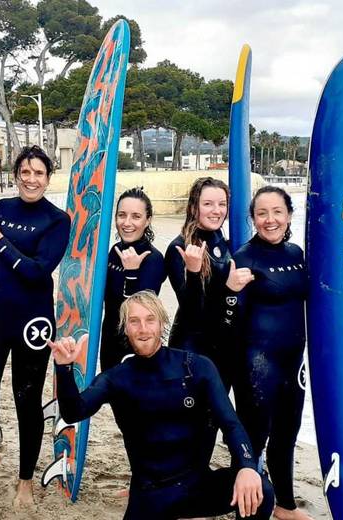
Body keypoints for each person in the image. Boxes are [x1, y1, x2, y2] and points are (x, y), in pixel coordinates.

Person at [48, 290, 274, 520]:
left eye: (150, 320)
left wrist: (246, 465)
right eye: (134, 322)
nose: (143, 329)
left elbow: (230, 423)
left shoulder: (197, 368)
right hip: (149, 496)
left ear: (162, 323)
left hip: (197, 486)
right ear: (125, 328)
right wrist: (64, 368)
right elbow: (74, 411)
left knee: (261, 490)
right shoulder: (116, 379)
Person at [0, 145, 70, 506]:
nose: (31, 179)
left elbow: (36, 271)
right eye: (24, 173)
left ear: (48, 177)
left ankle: (25, 480)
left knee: (26, 400)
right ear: (16, 175)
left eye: (38, 173)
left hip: (33, 322)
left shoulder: (57, 220)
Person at [223, 186, 313, 520]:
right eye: (262, 213)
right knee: (253, 439)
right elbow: (228, 322)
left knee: (287, 434)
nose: (270, 220)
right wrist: (230, 292)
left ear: (289, 214)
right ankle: (242, 510)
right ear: (253, 218)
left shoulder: (297, 254)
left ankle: (285, 506)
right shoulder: (244, 258)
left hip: (294, 364)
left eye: (277, 212)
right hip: (257, 365)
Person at [164, 176, 253, 390]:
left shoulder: (229, 244)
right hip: (191, 349)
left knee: (215, 421)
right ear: (194, 207)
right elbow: (193, 313)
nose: (216, 210)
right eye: (208, 204)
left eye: (222, 204)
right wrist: (195, 272)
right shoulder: (180, 249)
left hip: (224, 348)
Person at [100, 187, 165, 371]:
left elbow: (139, 313)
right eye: (122, 215)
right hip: (109, 342)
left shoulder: (153, 258)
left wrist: (131, 273)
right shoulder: (114, 251)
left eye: (136, 216)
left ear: (147, 220)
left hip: (138, 345)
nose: (127, 223)